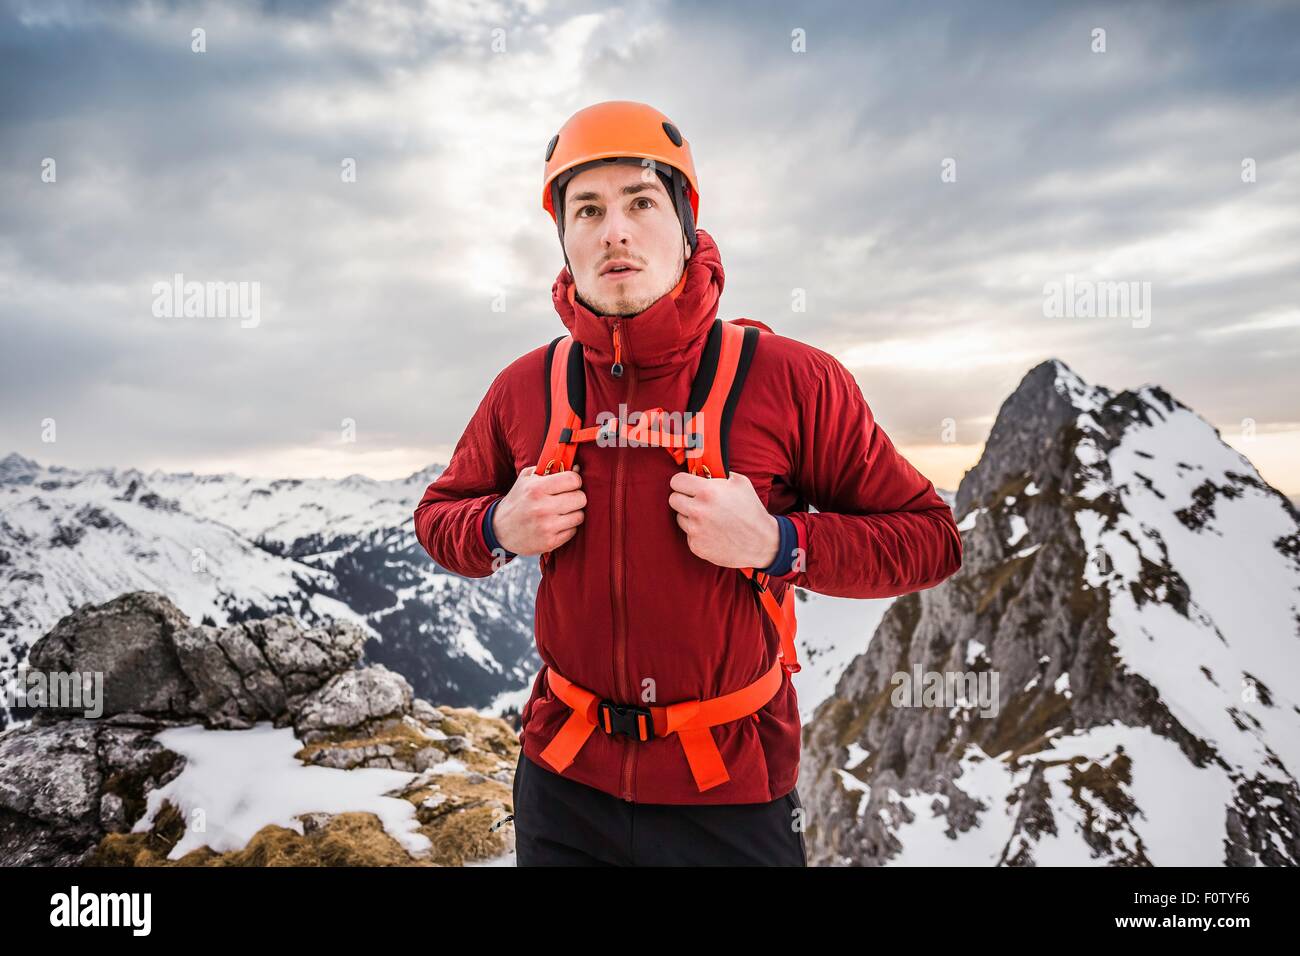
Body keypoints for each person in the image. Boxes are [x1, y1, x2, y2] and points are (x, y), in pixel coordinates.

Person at [413, 100, 963, 866]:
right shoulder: (527, 387)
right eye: (587, 210)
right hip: (563, 784)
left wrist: (780, 541)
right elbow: (438, 516)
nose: (615, 231)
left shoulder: (791, 379)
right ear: (564, 237)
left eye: (640, 202)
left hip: (730, 793)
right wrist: (495, 530)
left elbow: (930, 539)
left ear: (685, 221)